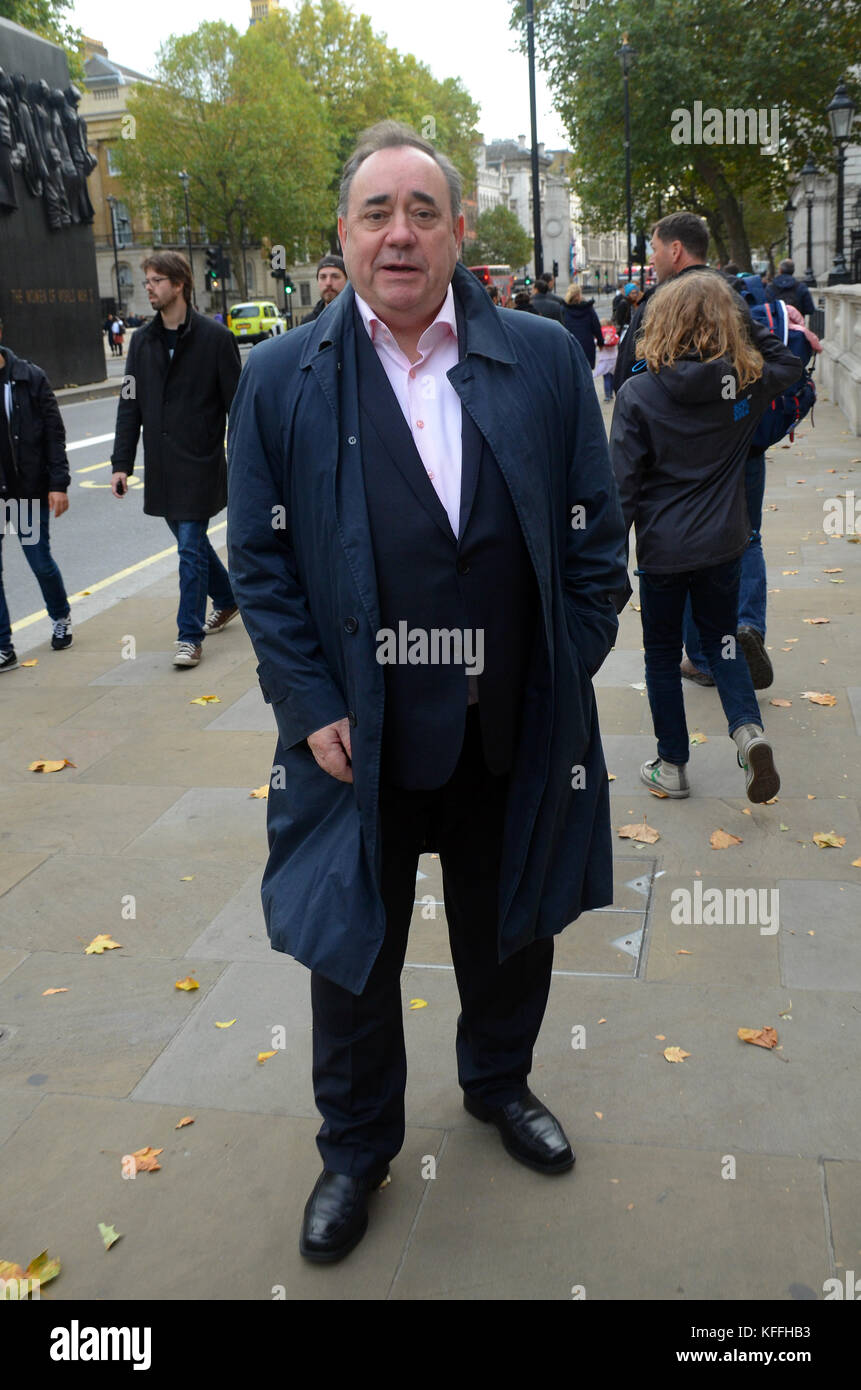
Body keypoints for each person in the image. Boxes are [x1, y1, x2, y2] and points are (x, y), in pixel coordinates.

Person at [227, 119, 630, 1264]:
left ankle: (499, 1084)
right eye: (375, 213)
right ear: (343, 238)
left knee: (513, 932)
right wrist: (307, 703)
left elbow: (600, 540)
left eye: (421, 212)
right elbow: (257, 558)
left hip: (510, 724)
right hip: (361, 742)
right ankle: (354, 1149)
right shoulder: (279, 379)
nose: (399, 234)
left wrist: (564, 663)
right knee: (353, 953)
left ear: (460, 230)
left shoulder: (546, 359)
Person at [610, 272, 801, 801]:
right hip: (724, 544)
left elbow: (621, 493)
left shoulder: (637, 394)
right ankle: (749, 734)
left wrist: (604, 565)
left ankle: (672, 766)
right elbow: (792, 363)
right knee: (722, 644)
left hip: (664, 552)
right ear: (727, 325)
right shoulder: (742, 382)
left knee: (661, 655)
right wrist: (740, 317)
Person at [110, 251, 241, 667]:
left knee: (188, 546)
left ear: (179, 284)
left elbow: (237, 408)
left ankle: (189, 635)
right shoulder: (141, 342)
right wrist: (121, 463)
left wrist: (246, 464)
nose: (148, 286)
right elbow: (129, 404)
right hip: (163, 467)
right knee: (194, 543)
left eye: (155, 280)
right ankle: (228, 595)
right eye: (147, 280)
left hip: (201, 462)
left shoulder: (216, 340)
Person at [0, 317, 73, 669]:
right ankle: (3, 645)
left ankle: (60, 617)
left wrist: (58, 484)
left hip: (25, 494)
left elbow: (54, 435)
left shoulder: (29, 378)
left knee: (40, 563)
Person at [561, 283, 604, 370]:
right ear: (579, 294)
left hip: (570, 344)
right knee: (586, 371)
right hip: (586, 344)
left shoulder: (563, 309)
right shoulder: (588, 308)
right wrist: (600, 342)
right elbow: (596, 326)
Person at [301, 254, 348, 324]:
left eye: (335, 276)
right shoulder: (308, 323)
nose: (328, 283)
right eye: (323, 277)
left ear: (347, 281)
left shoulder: (361, 318)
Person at [594, 319, 619, 403]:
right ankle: (612, 393)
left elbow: (596, 342)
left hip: (604, 359)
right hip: (614, 359)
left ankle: (607, 395)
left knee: (606, 378)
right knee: (612, 377)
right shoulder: (613, 333)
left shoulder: (600, 335)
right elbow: (618, 340)